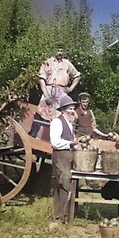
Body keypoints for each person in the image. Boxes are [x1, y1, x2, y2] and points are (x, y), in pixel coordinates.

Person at [49, 93, 82, 224]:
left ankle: (62, 215)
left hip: (67, 157)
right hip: (60, 156)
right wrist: (70, 143)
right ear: (63, 110)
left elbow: (69, 140)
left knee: (64, 184)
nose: (72, 111)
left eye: (73, 108)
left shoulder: (69, 123)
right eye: (69, 108)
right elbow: (55, 142)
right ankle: (59, 218)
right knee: (63, 184)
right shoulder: (57, 122)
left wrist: (76, 144)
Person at [37, 45, 81, 121]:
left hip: (61, 90)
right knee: (42, 112)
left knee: (62, 112)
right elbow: (42, 78)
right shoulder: (48, 62)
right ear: (54, 51)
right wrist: (46, 94)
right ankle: (35, 131)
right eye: (58, 50)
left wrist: (71, 88)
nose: (60, 53)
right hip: (49, 89)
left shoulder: (67, 63)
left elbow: (77, 76)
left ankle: (61, 130)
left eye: (61, 51)